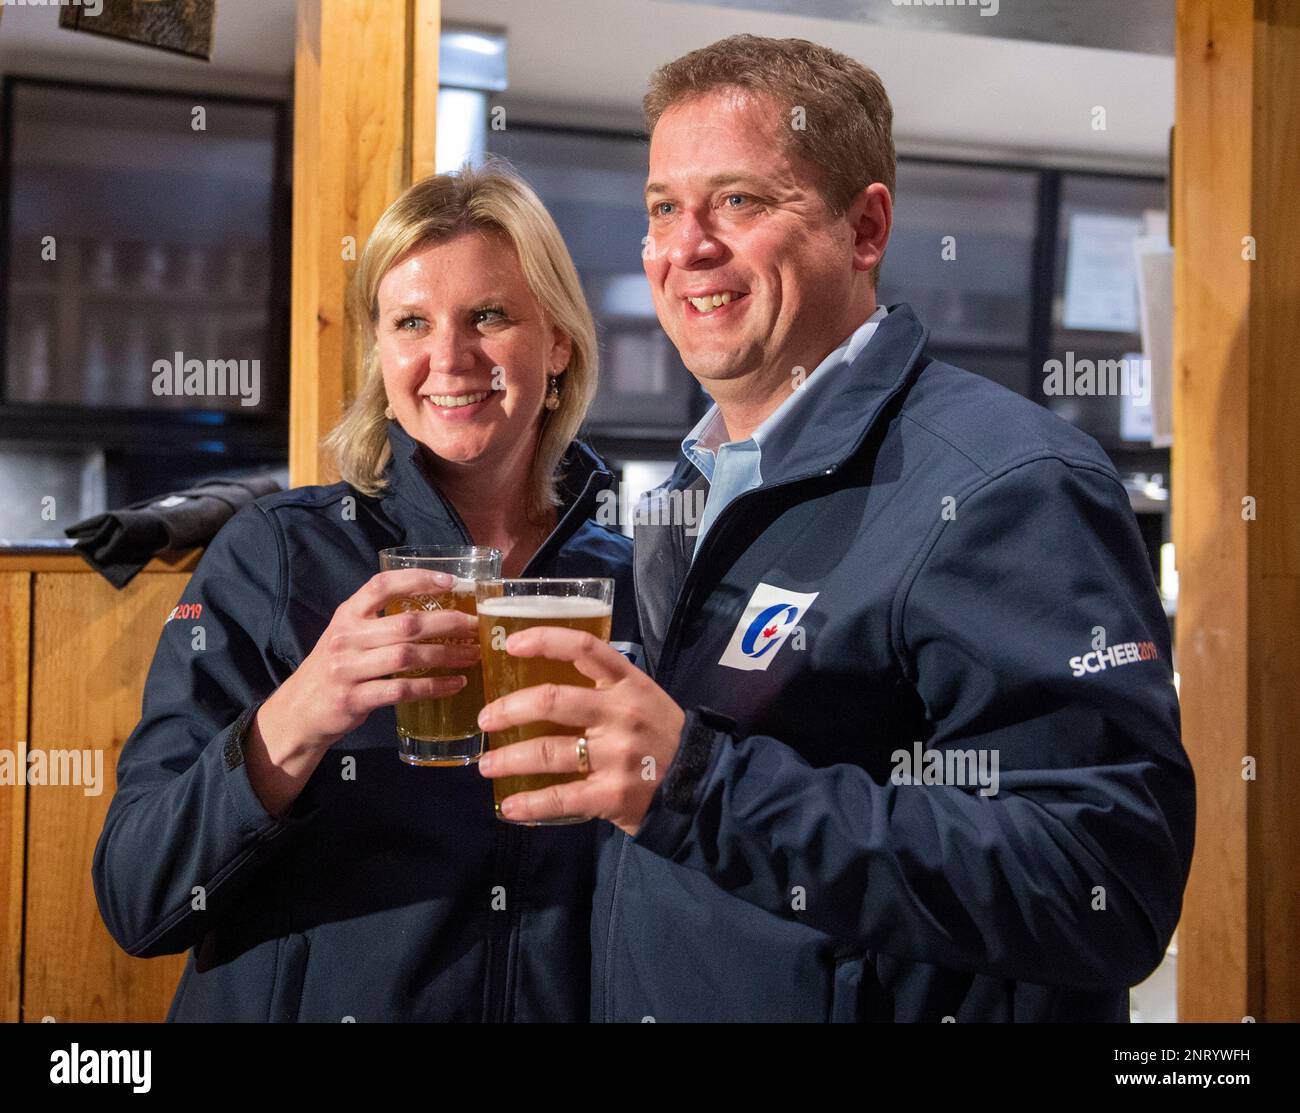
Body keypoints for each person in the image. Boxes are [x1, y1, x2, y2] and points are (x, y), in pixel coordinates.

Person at [475, 35, 1195, 1022]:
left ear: (864, 229)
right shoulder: (684, 494)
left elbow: (1102, 882)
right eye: (660, 209)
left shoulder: (1007, 482)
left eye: (739, 200)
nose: (685, 247)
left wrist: (695, 784)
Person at [92, 164, 637, 1021]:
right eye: (411, 322)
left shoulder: (631, 583)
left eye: (488, 315)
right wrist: (302, 710)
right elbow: (136, 896)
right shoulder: (274, 552)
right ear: (382, 354)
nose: (449, 358)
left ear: (559, 341)